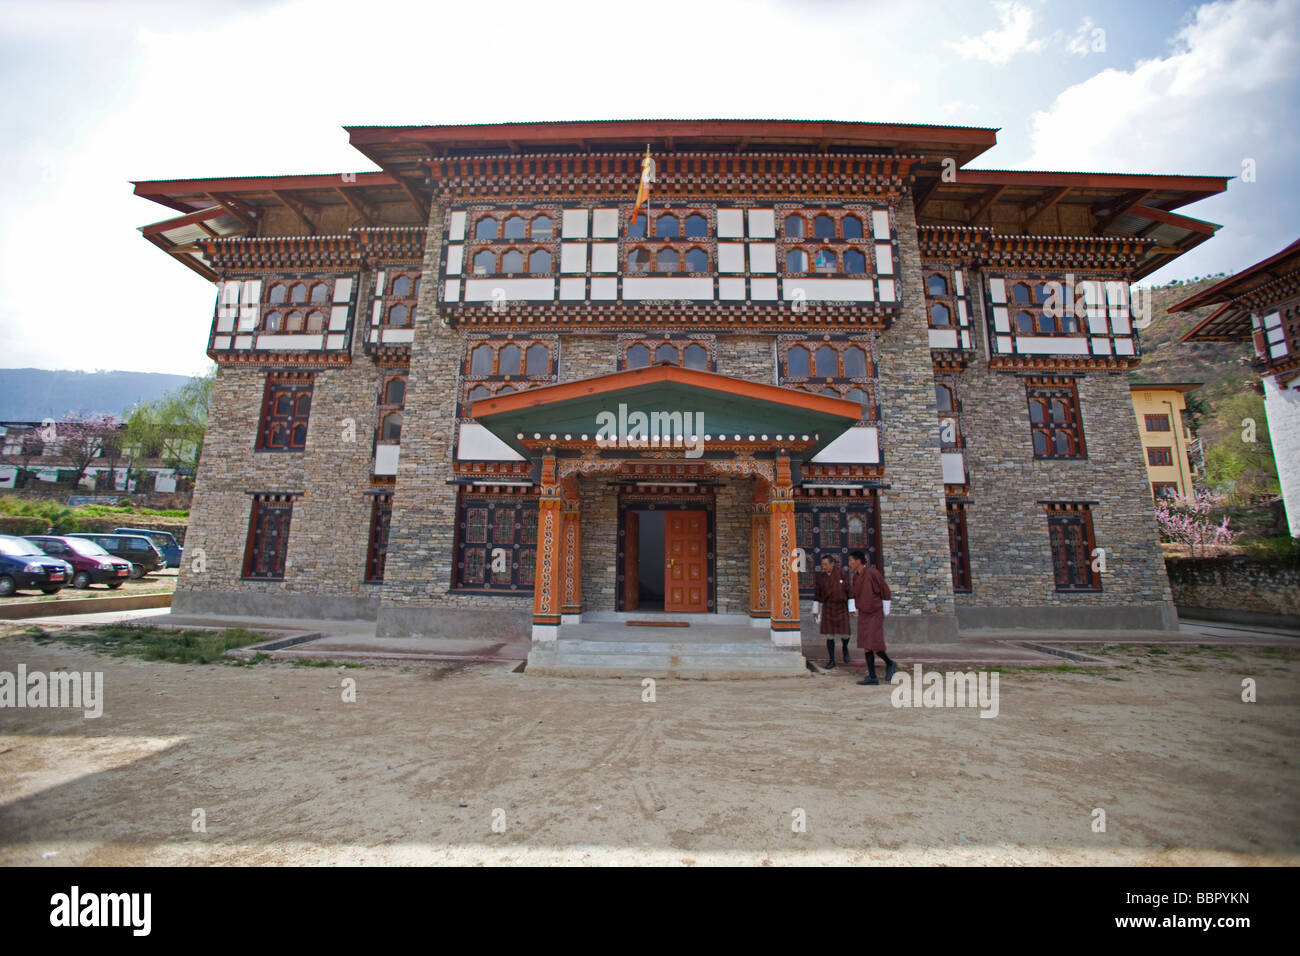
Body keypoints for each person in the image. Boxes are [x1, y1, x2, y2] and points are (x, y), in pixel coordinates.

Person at [847, 550, 895, 686]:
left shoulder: (873, 573)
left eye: (851, 561)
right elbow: (854, 593)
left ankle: (890, 663)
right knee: (866, 645)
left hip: (875, 612)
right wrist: (852, 608)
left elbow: (885, 590)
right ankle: (873, 677)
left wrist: (885, 610)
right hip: (863, 613)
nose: (849, 564)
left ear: (857, 561)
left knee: (874, 643)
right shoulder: (856, 577)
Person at [812, 554, 852, 668]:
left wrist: (852, 607)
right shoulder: (821, 578)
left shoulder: (841, 574)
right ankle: (832, 660)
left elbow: (849, 590)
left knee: (845, 634)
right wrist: (815, 609)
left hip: (841, 606)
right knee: (830, 635)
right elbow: (817, 595)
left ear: (832, 564)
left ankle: (845, 648)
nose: (823, 567)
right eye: (822, 564)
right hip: (828, 607)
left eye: (825, 564)